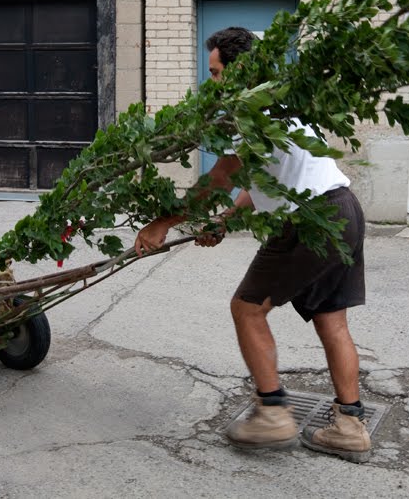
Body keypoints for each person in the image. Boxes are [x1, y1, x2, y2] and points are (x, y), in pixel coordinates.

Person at [134, 27, 371, 463]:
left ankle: (272, 413)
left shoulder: (250, 113)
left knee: (247, 308)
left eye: (217, 71)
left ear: (239, 69)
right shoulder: (284, 104)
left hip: (307, 220)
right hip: (342, 210)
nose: (213, 82)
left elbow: (221, 178)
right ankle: (349, 425)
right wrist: (226, 219)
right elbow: (257, 180)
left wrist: (161, 224)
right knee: (331, 321)